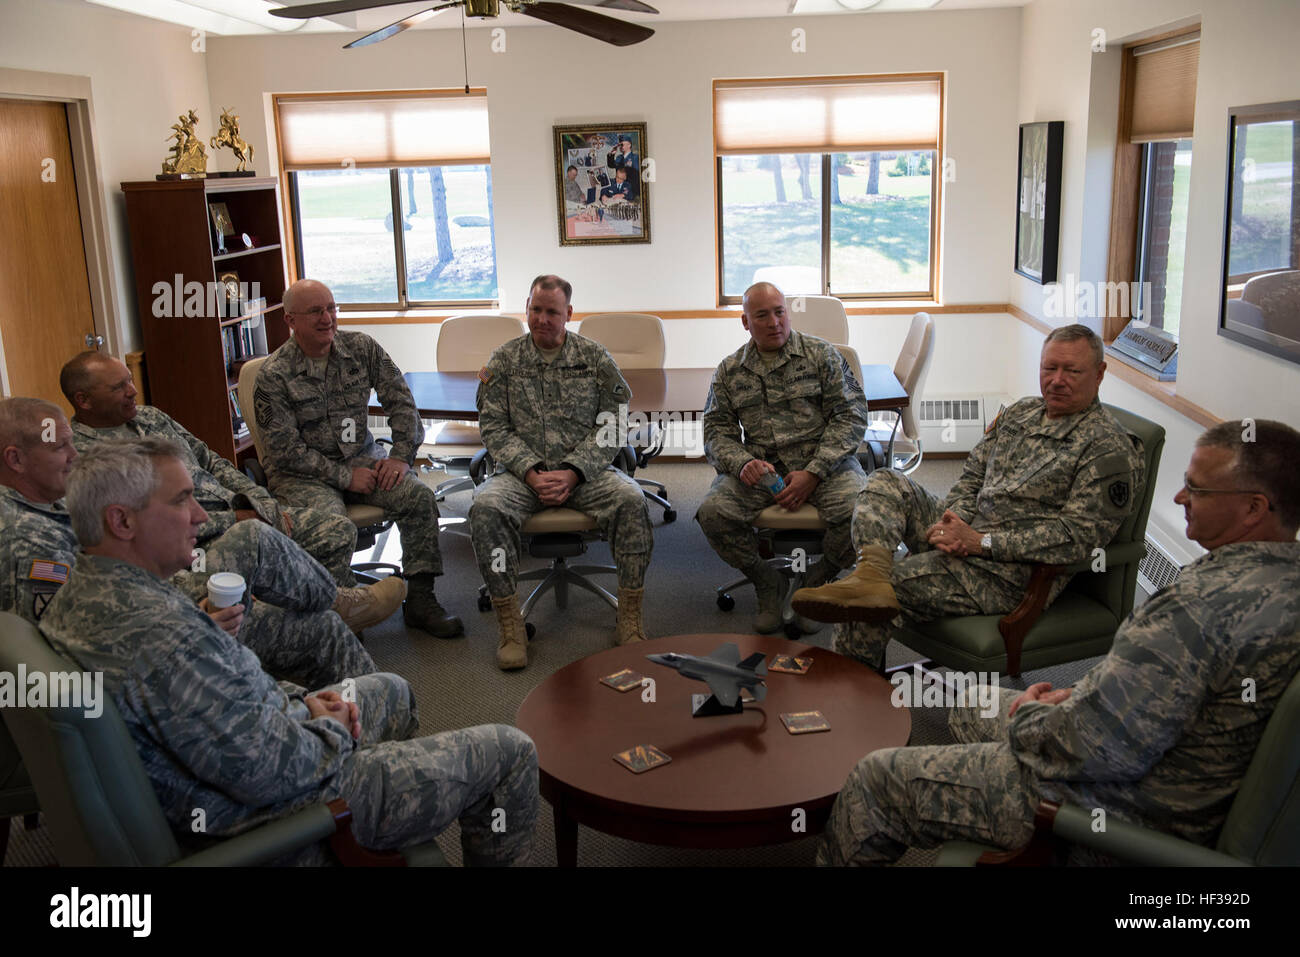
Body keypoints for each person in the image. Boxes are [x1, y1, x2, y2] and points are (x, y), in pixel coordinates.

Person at [818, 419, 1300, 865]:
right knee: (972, 704)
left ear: (1254, 508)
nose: (1178, 498)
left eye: (1195, 488)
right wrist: (1083, 697)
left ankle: (965, 811)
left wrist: (1033, 712)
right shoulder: (1281, 580)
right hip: (1153, 761)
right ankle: (969, 815)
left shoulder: (1199, 608)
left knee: (874, 777)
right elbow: (1159, 701)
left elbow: (1084, 744)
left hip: (1117, 806)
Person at [41, 437, 539, 865]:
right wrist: (330, 727)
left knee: (392, 689)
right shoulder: (163, 636)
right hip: (282, 818)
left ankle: (396, 818)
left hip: (258, 762)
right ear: (121, 521)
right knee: (511, 752)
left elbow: (228, 709)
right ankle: (380, 820)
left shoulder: (90, 594)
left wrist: (301, 705)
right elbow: (274, 773)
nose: (198, 516)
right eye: (181, 501)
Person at [793, 323, 1144, 669]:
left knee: (874, 598)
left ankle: (853, 697)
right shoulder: (1022, 412)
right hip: (967, 533)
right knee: (886, 480)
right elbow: (974, 471)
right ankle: (870, 570)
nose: (1057, 379)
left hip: (1008, 575)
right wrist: (955, 519)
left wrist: (980, 542)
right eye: (1049, 368)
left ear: (1099, 374)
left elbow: (1078, 538)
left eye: (1072, 370)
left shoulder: (1107, 447)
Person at [0, 397, 377, 688]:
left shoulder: (43, 501)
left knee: (319, 624)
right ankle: (339, 604)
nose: (74, 456)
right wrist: (193, 622)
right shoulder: (27, 541)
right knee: (253, 540)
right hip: (162, 640)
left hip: (163, 601)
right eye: (60, 448)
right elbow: (74, 657)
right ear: (15, 459)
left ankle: (334, 614)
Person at [253, 279, 462, 639]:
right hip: (304, 476)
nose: (327, 318)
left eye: (331, 308)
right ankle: (345, 613)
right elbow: (285, 451)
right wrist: (344, 477)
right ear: (290, 320)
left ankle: (422, 600)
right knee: (331, 527)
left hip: (363, 458)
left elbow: (401, 401)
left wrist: (400, 456)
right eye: (315, 311)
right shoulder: (273, 375)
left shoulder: (360, 348)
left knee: (419, 498)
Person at [471, 274, 653, 669]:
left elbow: (615, 423)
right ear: (527, 309)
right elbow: (493, 427)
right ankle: (510, 624)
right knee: (485, 507)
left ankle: (630, 615)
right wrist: (532, 471)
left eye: (551, 311)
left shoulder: (595, 357)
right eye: (535, 309)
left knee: (632, 501)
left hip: (585, 473)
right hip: (522, 477)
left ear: (568, 313)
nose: (542, 319)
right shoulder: (504, 360)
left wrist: (573, 471)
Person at [60, 351, 357, 588]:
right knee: (268, 557)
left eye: (129, 380)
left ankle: (336, 615)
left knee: (338, 531)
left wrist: (259, 499)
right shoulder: (87, 460)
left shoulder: (151, 417)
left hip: (245, 511)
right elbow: (151, 527)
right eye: (119, 387)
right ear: (83, 400)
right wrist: (235, 519)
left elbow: (211, 460)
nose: (133, 390)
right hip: (195, 544)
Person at [697, 281, 869, 633]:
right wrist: (744, 463)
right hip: (761, 469)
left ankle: (817, 582)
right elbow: (716, 432)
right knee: (713, 514)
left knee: (863, 513)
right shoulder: (730, 370)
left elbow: (851, 415)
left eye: (780, 312)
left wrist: (815, 472)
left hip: (825, 464)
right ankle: (767, 582)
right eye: (762, 315)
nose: (775, 322)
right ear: (746, 322)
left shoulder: (822, 355)